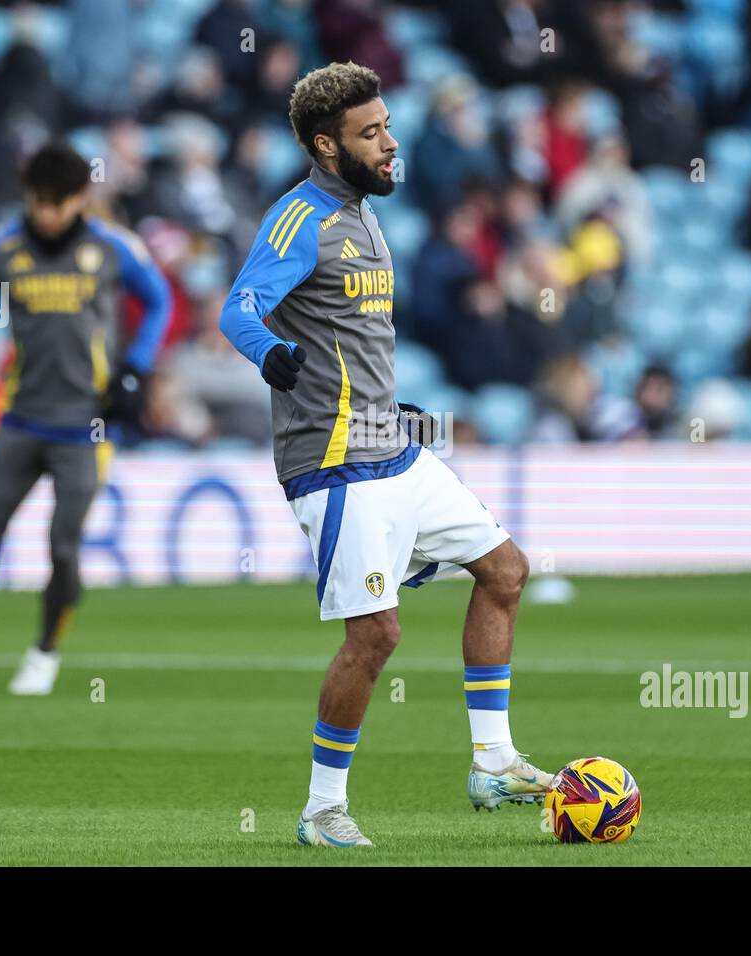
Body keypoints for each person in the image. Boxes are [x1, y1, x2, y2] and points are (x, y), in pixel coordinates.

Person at [218, 62, 546, 848]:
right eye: (372, 134)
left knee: (505, 571)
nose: (391, 143)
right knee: (376, 636)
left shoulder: (365, 213)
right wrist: (271, 356)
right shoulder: (301, 218)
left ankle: (493, 760)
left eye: (389, 125)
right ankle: (321, 810)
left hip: (389, 446)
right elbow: (239, 306)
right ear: (326, 146)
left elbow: (349, 332)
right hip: (333, 463)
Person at [0, 142, 169, 695]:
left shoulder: (111, 248)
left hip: (85, 427)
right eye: (38, 200)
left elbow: (159, 301)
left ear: (80, 198)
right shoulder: (4, 246)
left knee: (63, 546)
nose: (45, 212)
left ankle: (44, 653)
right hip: (20, 420)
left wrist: (135, 370)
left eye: (57, 202)